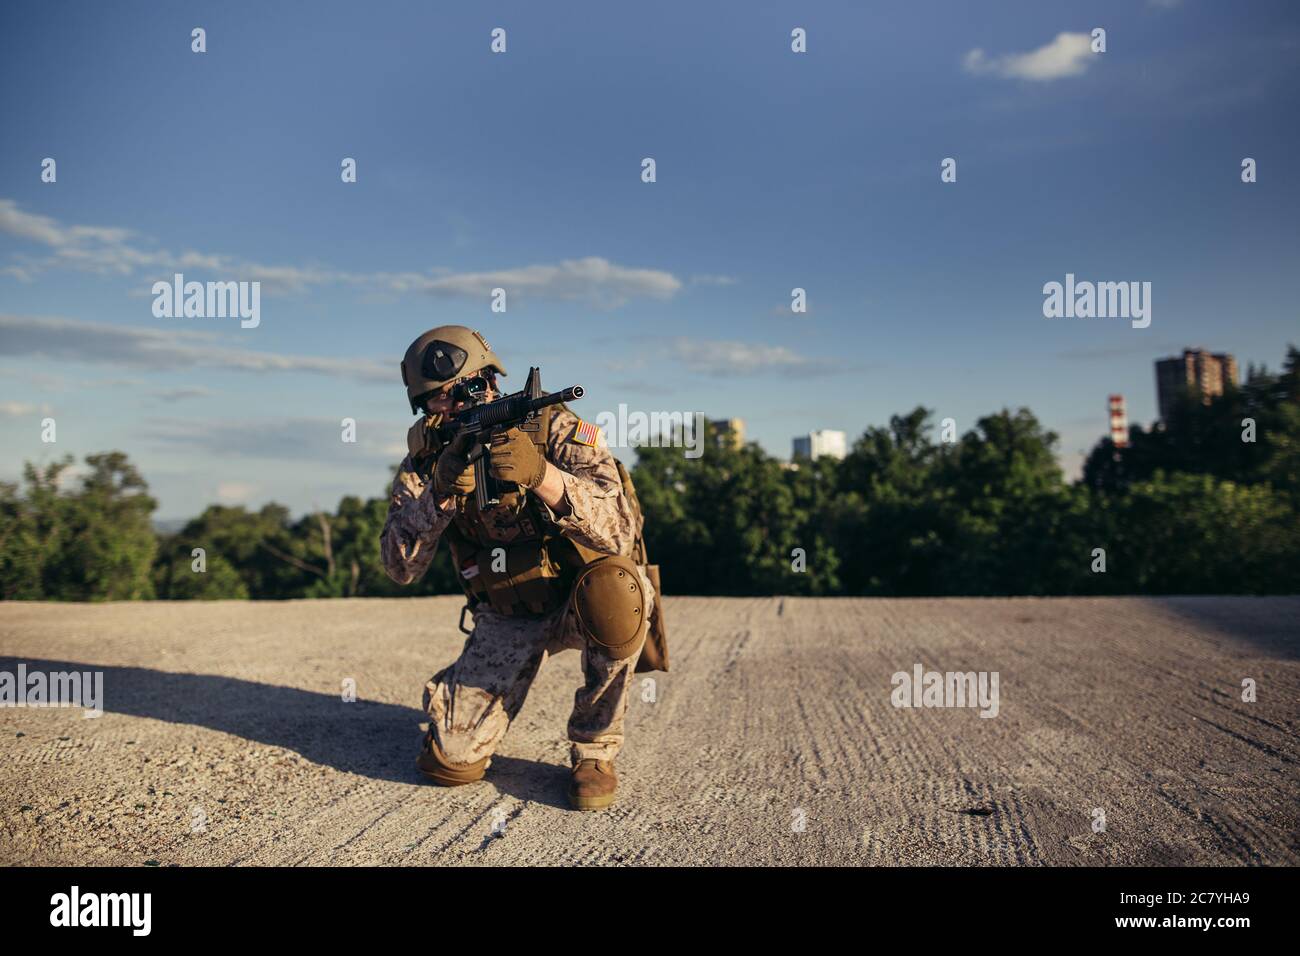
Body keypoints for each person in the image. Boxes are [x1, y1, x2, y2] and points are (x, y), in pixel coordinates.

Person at [380, 325, 658, 810]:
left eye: (465, 390)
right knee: (452, 764)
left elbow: (620, 531)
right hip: (509, 611)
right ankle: (455, 702)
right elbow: (399, 567)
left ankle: (594, 749)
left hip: (580, 598)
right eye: (437, 401)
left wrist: (544, 477)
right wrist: (439, 495)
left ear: (489, 381)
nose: (456, 406)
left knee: (619, 590)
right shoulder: (426, 460)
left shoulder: (555, 427)